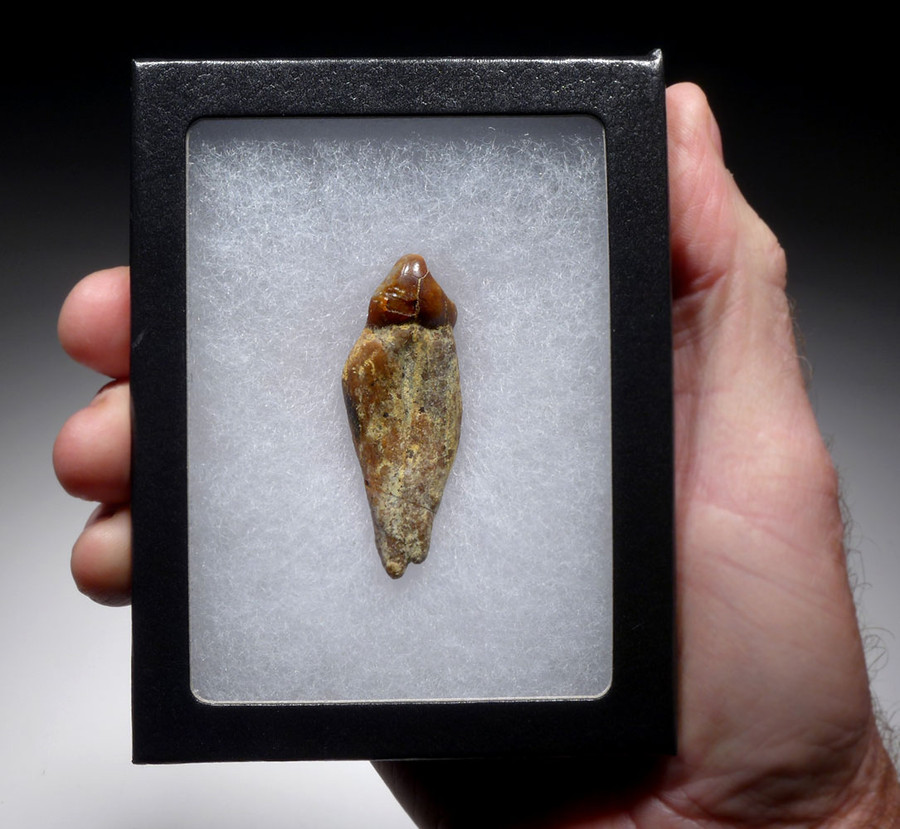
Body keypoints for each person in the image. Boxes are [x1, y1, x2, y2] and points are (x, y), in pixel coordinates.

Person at [53, 83, 900, 827]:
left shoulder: (410, 349)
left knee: (404, 498)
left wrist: (826, 811)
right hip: (405, 397)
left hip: (417, 397)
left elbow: (405, 403)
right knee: (396, 500)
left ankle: (404, 534)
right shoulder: (383, 353)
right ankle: (402, 534)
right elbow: (369, 390)